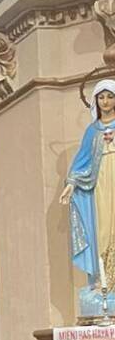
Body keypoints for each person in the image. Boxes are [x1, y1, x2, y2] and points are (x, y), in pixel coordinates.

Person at [60, 77, 115, 292]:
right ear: (95, 101)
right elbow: (83, 160)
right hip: (101, 180)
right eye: (101, 97)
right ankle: (105, 277)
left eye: (110, 97)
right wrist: (71, 184)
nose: (105, 101)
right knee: (103, 227)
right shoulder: (93, 130)